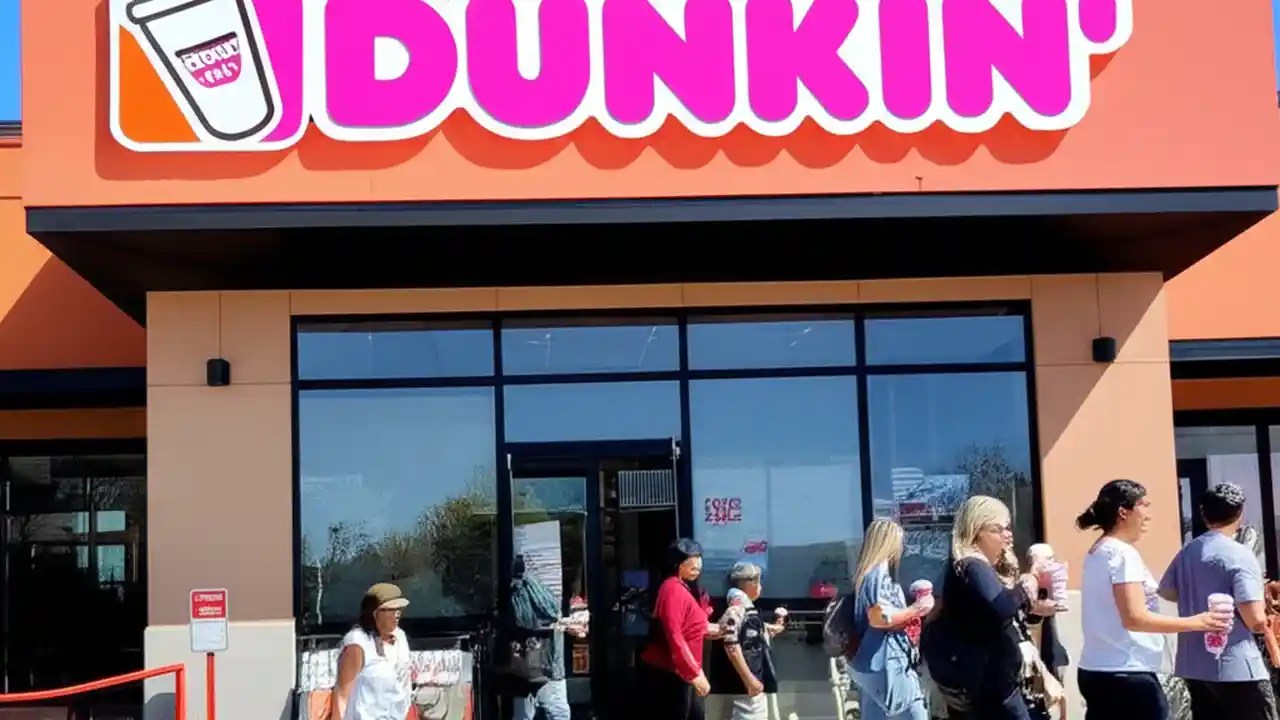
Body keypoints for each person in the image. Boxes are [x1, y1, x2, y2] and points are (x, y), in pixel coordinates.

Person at [1077, 479, 1230, 719]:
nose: (1148, 515)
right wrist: (1199, 622)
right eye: (1143, 505)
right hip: (1127, 675)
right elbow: (1134, 618)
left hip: (1098, 670)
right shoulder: (1122, 553)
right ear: (1123, 512)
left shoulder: (1097, 551)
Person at [1158, 483, 1279, 719]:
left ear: (1203, 513)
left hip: (1193, 664)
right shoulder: (1239, 554)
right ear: (1240, 513)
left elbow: (1167, 591)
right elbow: (1254, 619)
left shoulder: (1188, 551)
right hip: (1237, 665)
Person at [920, 495, 1043, 719]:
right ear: (978, 532)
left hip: (985, 686)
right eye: (1000, 529)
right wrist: (1030, 581)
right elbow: (1003, 607)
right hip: (992, 688)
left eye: (1008, 528)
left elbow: (993, 614)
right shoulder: (973, 565)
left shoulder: (969, 568)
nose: (1008, 535)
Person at [847, 518, 931, 720]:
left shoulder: (865, 576)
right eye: (899, 541)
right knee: (914, 710)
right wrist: (917, 608)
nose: (901, 548)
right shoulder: (878, 575)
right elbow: (879, 618)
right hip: (889, 662)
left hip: (871, 663)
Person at [639, 538, 723, 720]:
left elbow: (690, 626)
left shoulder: (684, 589)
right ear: (678, 564)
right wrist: (694, 674)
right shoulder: (672, 589)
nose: (697, 565)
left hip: (682, 670)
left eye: (699, 560)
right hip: (672, 672)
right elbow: (674, 633)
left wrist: (713, 629)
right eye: (691, 562)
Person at [509, 555, 587, 720]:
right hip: (549, 671)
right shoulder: (530, 587)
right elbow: (551, 611)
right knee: (559, 713)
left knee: (522, 714)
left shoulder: (510, 595)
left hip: (522, 670)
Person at [334, 582, 412, 720]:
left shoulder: (400, 637)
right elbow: (342, 694)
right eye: (391, 609)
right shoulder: (358, 642)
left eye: (399, 609)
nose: (397, 614)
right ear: (375, 613)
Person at [715, 562, 780, 720]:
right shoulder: (737, 607)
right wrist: (750, 681)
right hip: (746, 689)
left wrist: (770, 628)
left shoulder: (745, 607)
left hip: (747, 687)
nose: (760, 586)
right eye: (758, 581)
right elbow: (731, 644)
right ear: (749, 583)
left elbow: (747, 629)